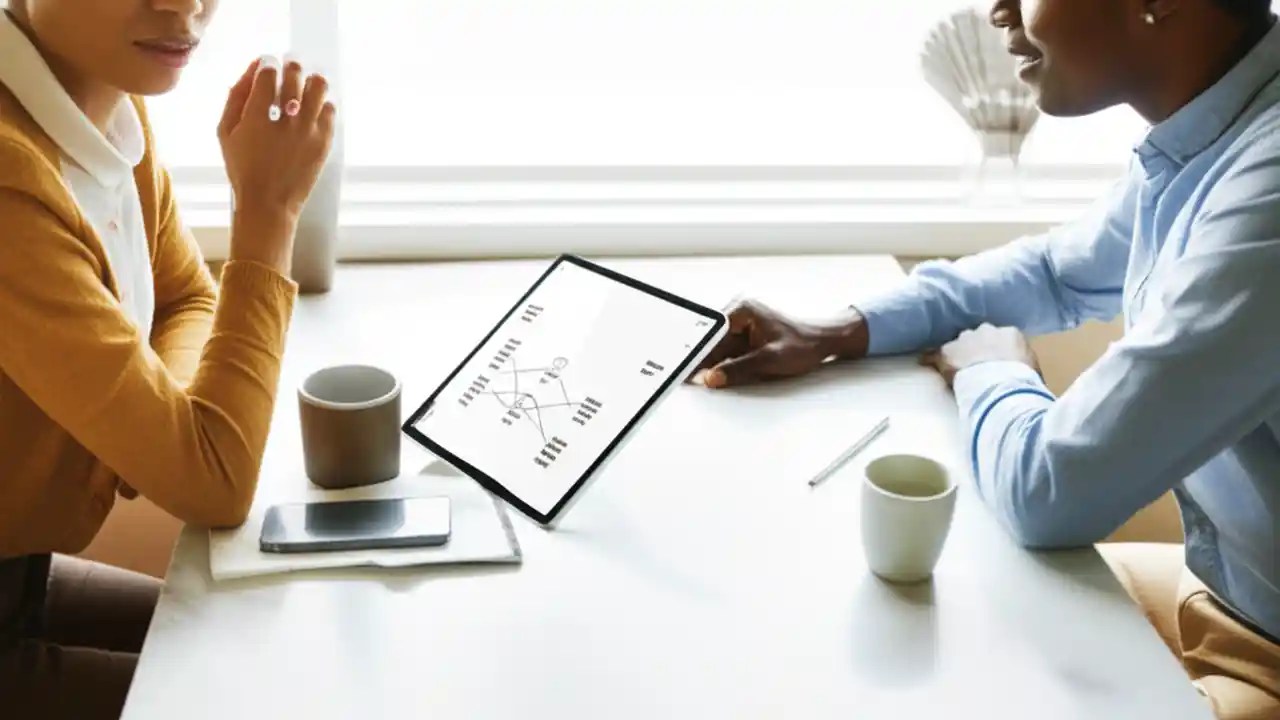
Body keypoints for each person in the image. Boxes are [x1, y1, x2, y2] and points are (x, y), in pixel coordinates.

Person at [695, 0, 1280, 716]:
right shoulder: (1220, 129)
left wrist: (992, 370)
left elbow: (1051, 490)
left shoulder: (1268, 191)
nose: (1000, 9)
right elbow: (1055, 273)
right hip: (1221, 601)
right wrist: (843, 330)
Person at [0, 0, 335, 716]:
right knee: (255, 697)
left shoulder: (98, 99)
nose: (184, 5)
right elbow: (215, 479)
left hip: (22, 576)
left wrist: (159, 419)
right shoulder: (10, 178)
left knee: (270, 642)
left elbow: (187, 298)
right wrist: (268, 214)